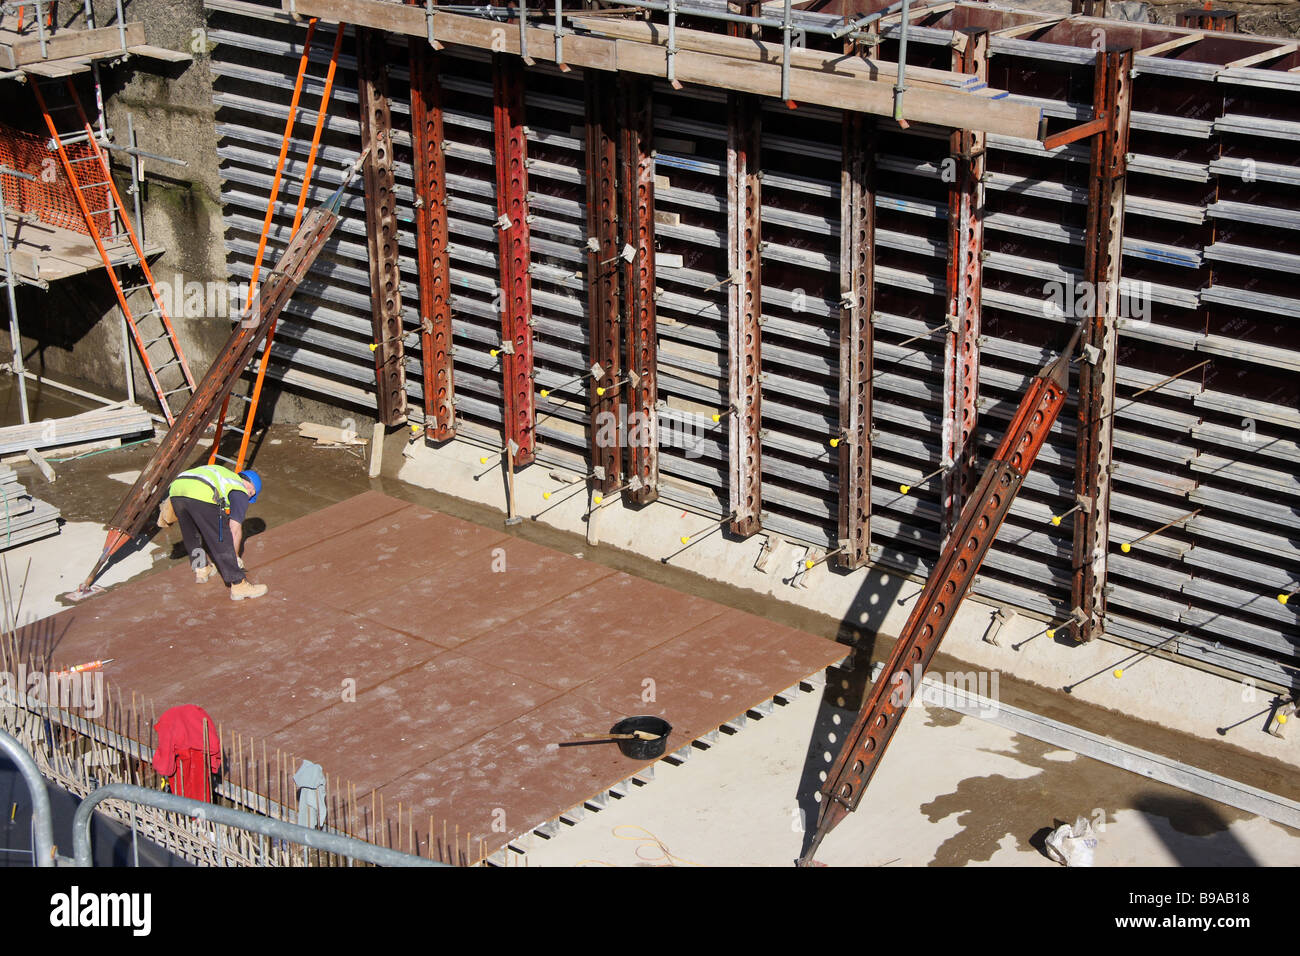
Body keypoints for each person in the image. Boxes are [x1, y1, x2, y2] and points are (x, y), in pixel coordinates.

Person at [165, 464, 268, 600]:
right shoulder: (240, 489)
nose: (248, 499)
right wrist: (235, 557)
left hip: (177, 488)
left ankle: (201, 568)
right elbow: (234, 529)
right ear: (252, 490)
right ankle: (239, 585)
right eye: (250, 496)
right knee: (221, 534)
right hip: (200, 491)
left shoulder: (225, 476)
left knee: (191, 532)